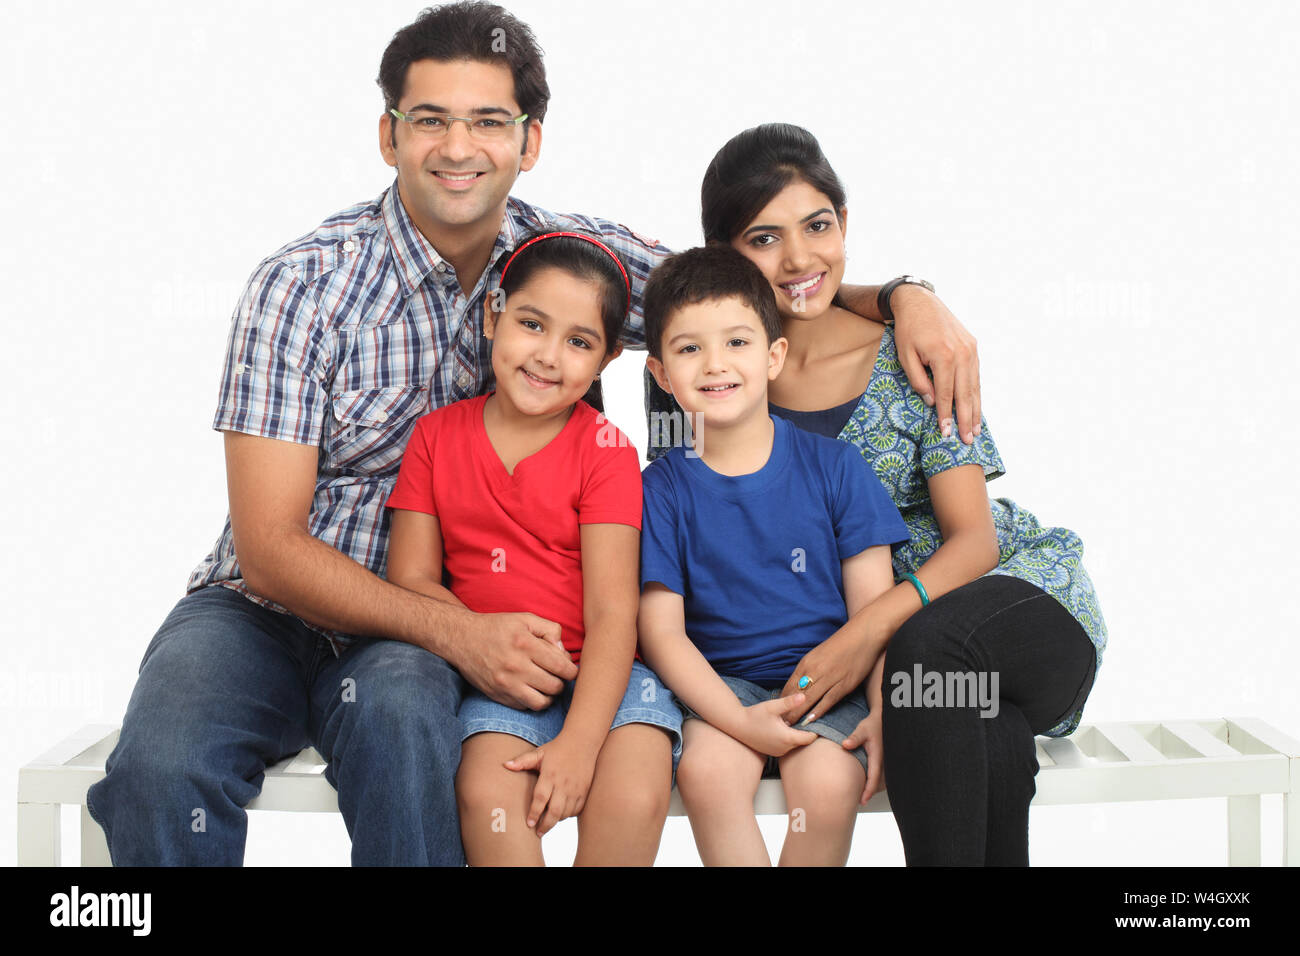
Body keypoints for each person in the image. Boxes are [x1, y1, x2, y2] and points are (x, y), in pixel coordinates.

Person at [85, 1, 983, 866]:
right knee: (159, 771)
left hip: (413, 641)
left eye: (489, 121)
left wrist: (905, 295)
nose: (459, 148)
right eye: (430, 120)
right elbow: (270, 548)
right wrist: (462, 632)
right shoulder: (301, 286)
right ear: (389, 133)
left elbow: (736, 292)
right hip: (280, 611)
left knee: (404, 737)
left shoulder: (571, 260)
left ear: (529, 141)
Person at [695, 122, 1106, 866]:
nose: (798, 258)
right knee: (978, 723)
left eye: (818, 226)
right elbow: (688, 527)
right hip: (917, 671)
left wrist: (862, 640)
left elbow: (974, 539)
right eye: (763, 238)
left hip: (1008, 598)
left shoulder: (914, 353)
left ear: (843, 223)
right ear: (726, 255)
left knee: (929, 659)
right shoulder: (705, 373)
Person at [385, 230, 681, 866]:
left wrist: (579, 743)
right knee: (487, 799)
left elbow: (611, 613)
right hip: (501, 683)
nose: (549, 355)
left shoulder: (607, 452)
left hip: (612, 677)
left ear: (605, 363)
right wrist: (488, 642)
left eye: (579, 342)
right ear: (494, 316)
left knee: (632, 794)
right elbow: (410, 578)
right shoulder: (435, 439)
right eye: (531, 324)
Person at [636, 245, 911, 866]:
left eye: (737, 342)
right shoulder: (661, 489)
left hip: (827, 684)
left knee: (829, 784)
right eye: (688, 349)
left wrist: (884, 706)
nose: (715, 365)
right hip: (720, 686)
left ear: (774, 355)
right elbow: (662, 635)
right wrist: (737, 719)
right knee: (706, 776)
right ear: (660, 373)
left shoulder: (837, 468)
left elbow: (874, 616)